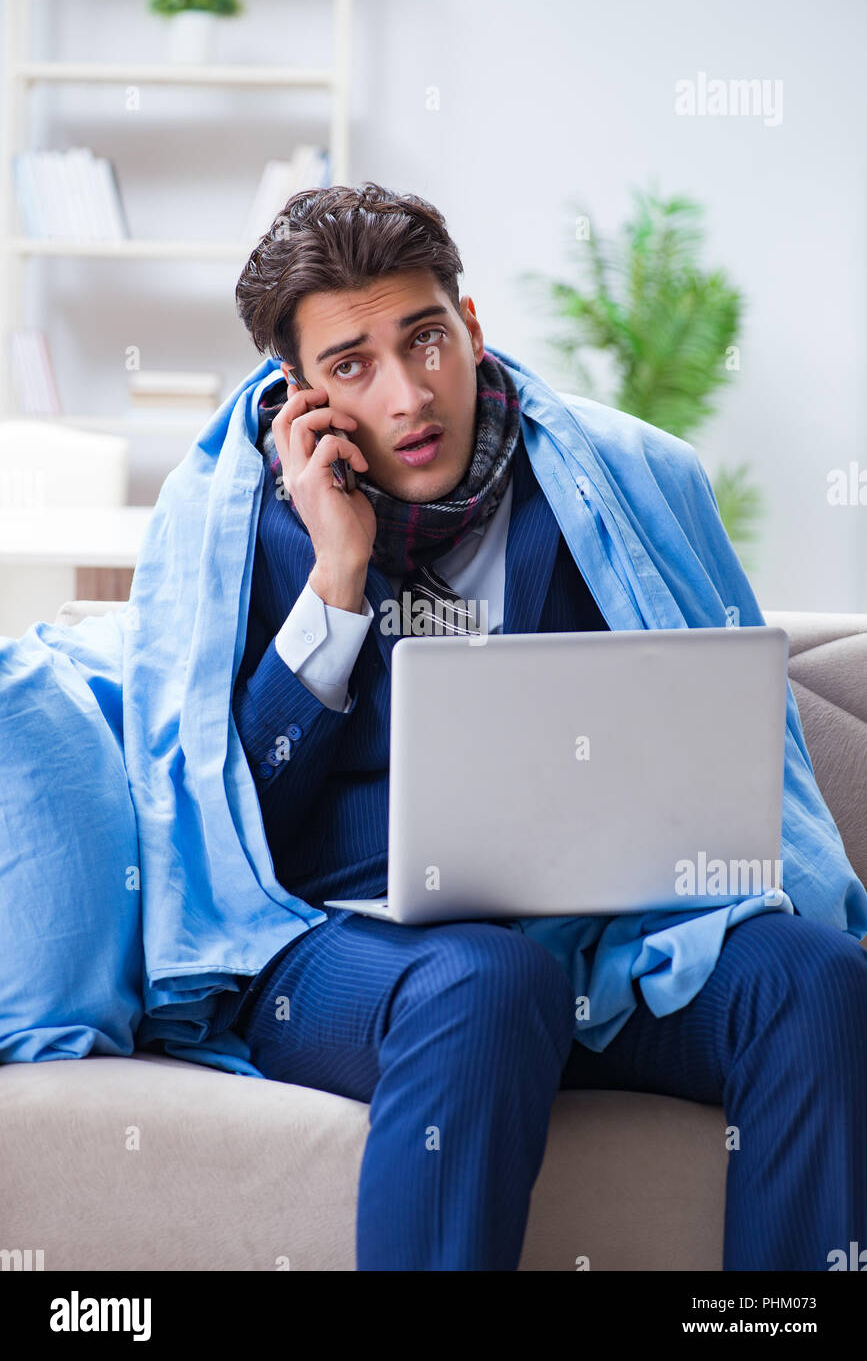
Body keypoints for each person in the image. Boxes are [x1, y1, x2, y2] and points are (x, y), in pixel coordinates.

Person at [228, 182, 867, 1271]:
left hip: (598, 945)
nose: (407, 394)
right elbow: (236, 820)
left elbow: (718, 743)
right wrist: (338, 576)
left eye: (425, 339)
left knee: (811, 981)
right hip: (343, 957)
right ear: (300, 392)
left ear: (470, 330)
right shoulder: (245, 529)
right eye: (352, 365)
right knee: (488, 976)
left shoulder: (612, 489)